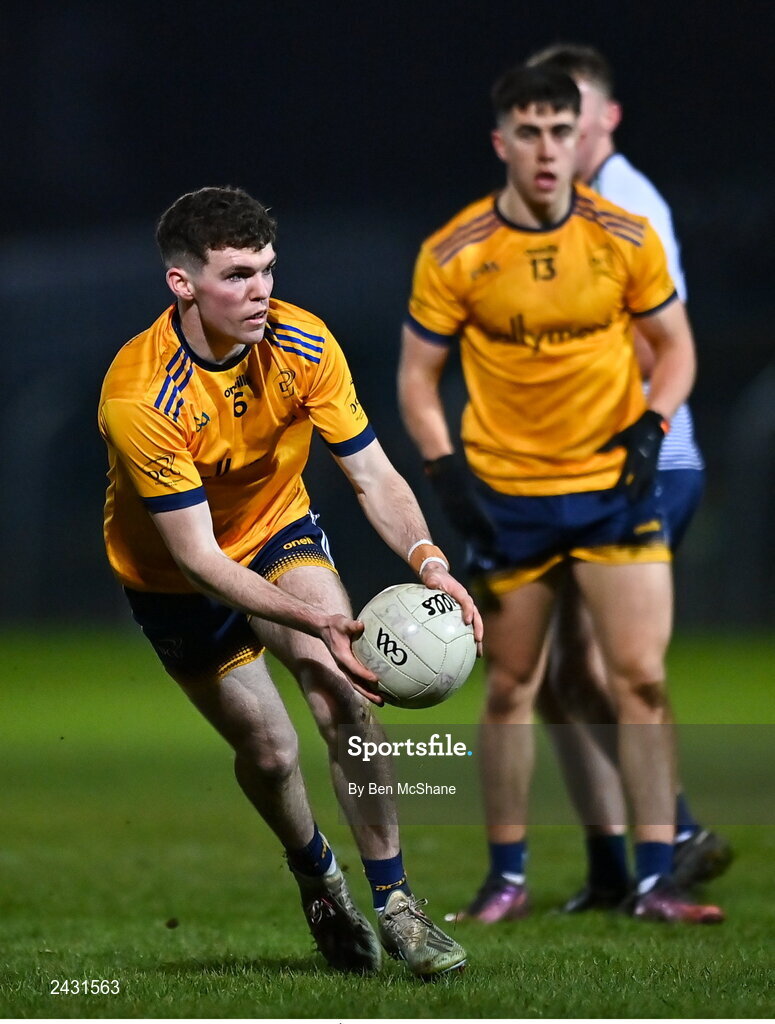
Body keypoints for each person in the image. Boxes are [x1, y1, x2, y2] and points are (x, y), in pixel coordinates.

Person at [99, 185, 482, 978]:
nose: (261, 290)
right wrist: (319, 625)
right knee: (270, 756)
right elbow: (201, 560)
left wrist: (430, 562)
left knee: (340, 697)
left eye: (267, 269)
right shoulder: (139, 395)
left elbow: (373, 474)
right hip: (174, 576)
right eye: (237, 275)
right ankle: (316, 877)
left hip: (276, 531)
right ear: (182, 284)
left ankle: (400, 907)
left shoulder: (302, 342)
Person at [398, 65, 723, 923]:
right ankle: (505, 879)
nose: (547, 150)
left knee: (639, 681)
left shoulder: (623, 233)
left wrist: (651, 425)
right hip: (508, 498)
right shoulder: (455, 251)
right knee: (510, 688)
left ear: (581, 134)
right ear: (501, 141)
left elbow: (677, 347)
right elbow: (416, 379)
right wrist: (443, 471)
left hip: (612, 492)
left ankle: (654, 879)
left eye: (560, 130)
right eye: (529, 133)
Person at [525, 42, 732, 911]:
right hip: (602, 466)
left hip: (641, 464)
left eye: (569, 114)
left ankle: (669, 834)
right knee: (561, 673)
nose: (551, 134)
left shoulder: (622, 205)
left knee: (599, 668)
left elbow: (658, 340)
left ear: (605, 119)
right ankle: (619, 866)